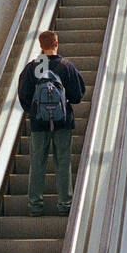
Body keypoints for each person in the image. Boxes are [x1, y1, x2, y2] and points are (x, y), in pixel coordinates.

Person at [17, 30, 86, 216]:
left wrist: (35, 111)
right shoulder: (66, 66)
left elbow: (23, 96)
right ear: (56, 43)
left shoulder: (32, 68)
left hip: (39, 124)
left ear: (41, 45)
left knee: (37, 162)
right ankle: (65, 204)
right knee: (63, 162)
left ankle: (35, 206)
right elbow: (78, 96)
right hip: (62, 123)